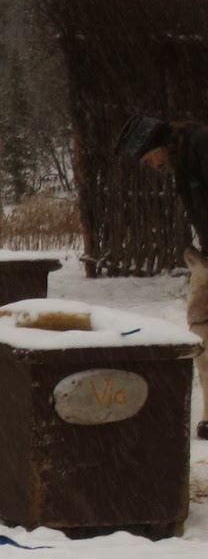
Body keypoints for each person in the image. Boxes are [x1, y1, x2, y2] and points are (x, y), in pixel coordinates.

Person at [116, 114, 208, 438]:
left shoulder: (200, 145)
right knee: (202, 329)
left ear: (160, 146)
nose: (152, 165)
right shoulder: (183, 160)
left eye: (149, 158)